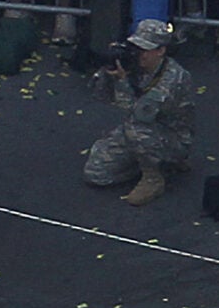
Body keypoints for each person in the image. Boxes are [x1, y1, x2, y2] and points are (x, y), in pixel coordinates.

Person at [85, 20, 198, 208]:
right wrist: (107, 71)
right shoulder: (135, 65)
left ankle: (153, 177)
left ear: (161, 50)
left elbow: (138, 114)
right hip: (143, 131)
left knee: (135, 128)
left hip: (172, 136)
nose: (139, 54)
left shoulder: (174, 78)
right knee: (96, 173)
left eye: (144, 49)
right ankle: (160, 164)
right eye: (136, 47)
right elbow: (101, 97)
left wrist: (122, 82)